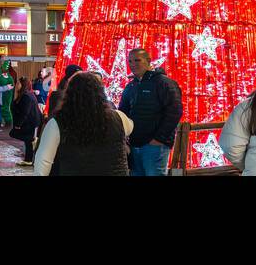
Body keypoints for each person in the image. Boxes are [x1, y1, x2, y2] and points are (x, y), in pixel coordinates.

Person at [34, 70, 134, 176]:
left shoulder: (57, 123)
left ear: (69, 94)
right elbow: (130, 127)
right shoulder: (119, 117)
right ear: (100, 92)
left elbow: (43, 161)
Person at [118, 47, 183, 176]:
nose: (133, 64)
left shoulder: (163, 83)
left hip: (154, 146)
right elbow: (122, 113)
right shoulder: (131, 86)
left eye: (137, 60)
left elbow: (174, 111)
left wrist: (159, 139)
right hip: (134, 145)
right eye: (130, 61)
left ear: (148, 61)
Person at [10, 76, 42, 166]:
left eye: (18, 83)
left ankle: (29, 159)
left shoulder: (26, 96)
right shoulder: (25, 94)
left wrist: (18, 124)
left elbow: (25, 112)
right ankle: (28, 159)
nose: (16, 85)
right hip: (29, 122)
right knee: (28, 141)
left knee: (28, 140)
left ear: (23, 85)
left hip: (30, 122)